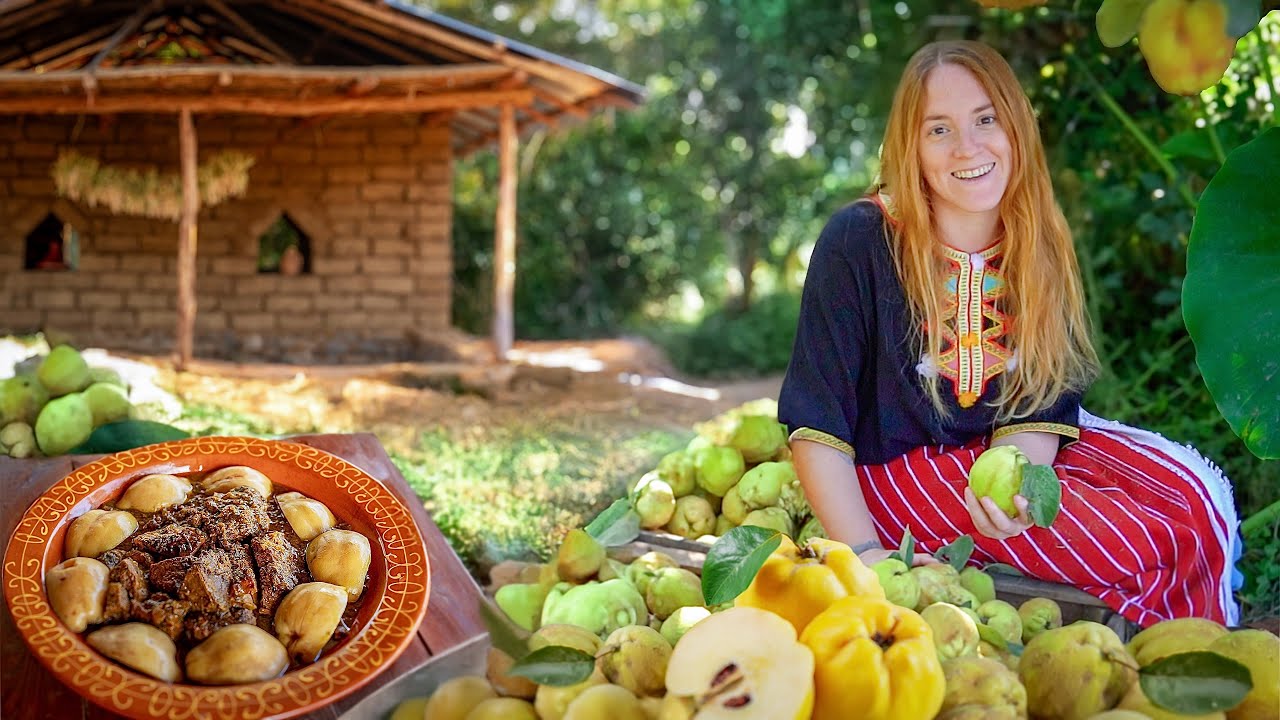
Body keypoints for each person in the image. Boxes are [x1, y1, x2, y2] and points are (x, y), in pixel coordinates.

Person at [779, 40, 1240, 628]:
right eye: (938, 130)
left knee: (1194, 506)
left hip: (998, 452)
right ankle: (1142, 658)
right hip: (890, 473)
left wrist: (1010, 483)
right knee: (1141, 541)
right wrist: (867, 558)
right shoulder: (859, 240)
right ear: (910, 148)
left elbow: (1044, 394)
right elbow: (816, 422)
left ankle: (1188, 670)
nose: (968, 147)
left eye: (985, 119)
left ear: (1015, 125)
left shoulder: (1037, 235)